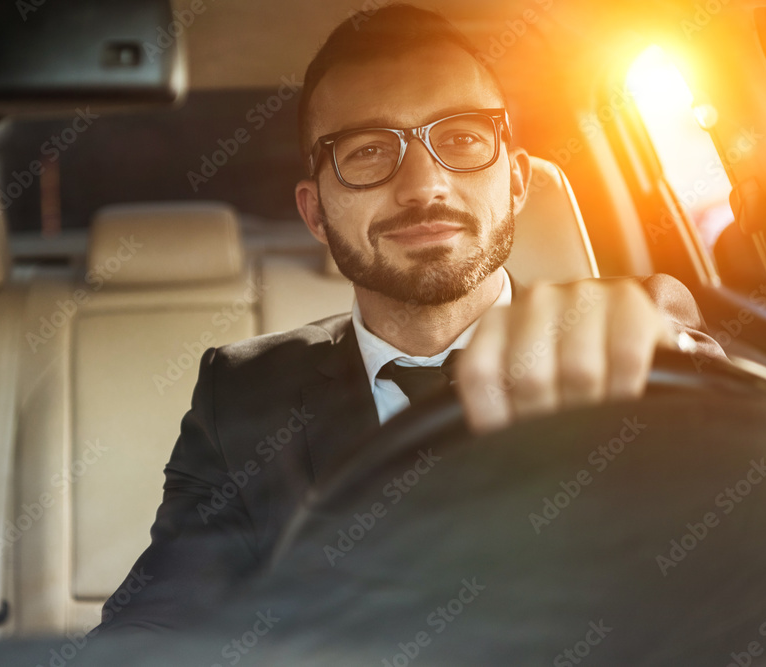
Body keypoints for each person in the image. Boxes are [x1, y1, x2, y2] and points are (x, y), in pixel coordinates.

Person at [95, 3, 724, 633]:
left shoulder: (628, 343)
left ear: (516, 183)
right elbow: (156, 626)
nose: (425, 185)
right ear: (315, 214)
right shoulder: (241, 395)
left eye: (461, 139)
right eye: (368, 152)